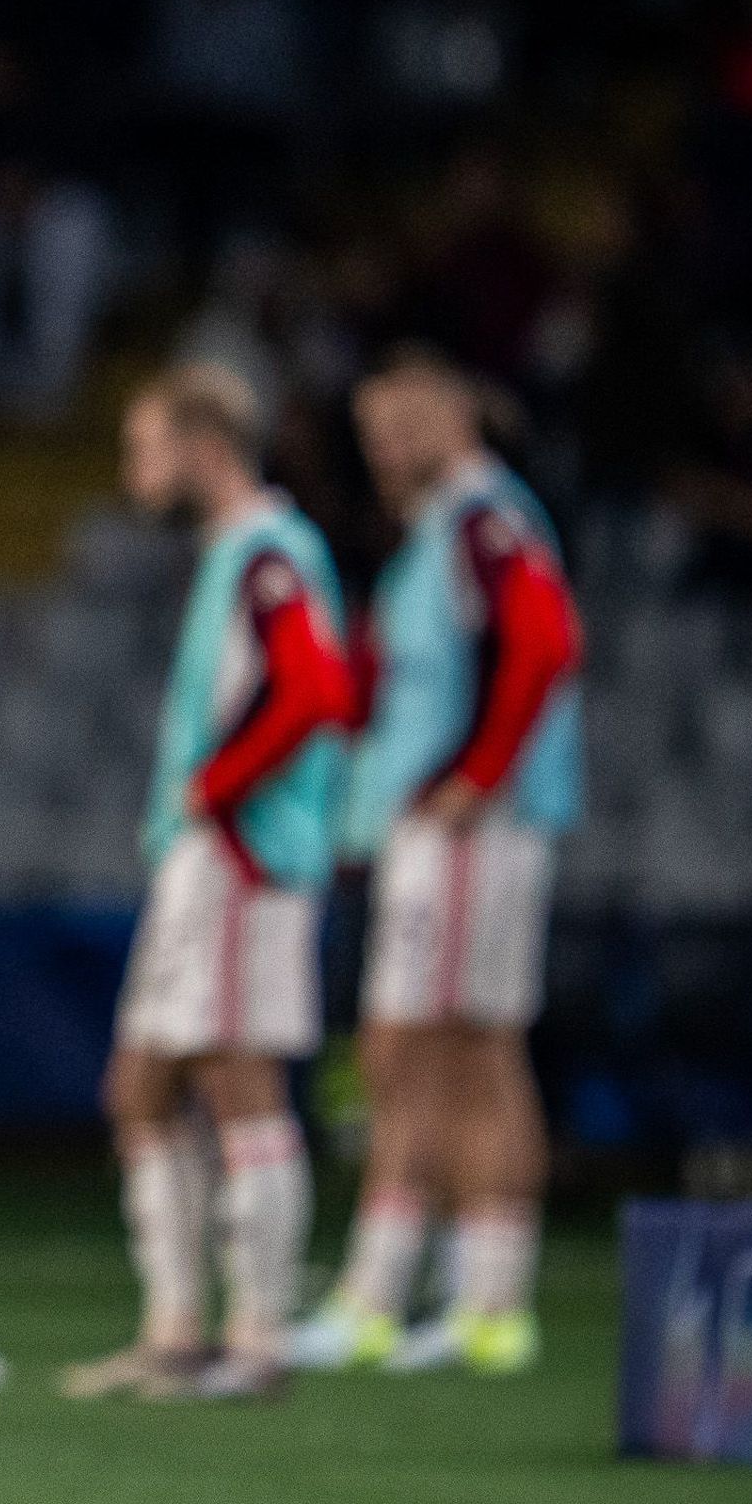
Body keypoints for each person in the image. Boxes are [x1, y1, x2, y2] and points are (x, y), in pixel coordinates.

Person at [61, 366, 353, 1405]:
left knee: (237, 1082)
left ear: (202, 443)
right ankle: (176, 1329)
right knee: (138, 1088)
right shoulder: (240, 550)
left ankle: (255, 1339)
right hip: (205, 857)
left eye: (146, 445)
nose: (135, 468)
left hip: (237, 858)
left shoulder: (268, 548)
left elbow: (316, 686)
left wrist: (216, 790)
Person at [292, 349, 583, 1377]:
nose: (378, 452)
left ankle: (409, 1295)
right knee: (448, 1053)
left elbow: (545, 641)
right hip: (448, 831)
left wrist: (473, 777)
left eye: (393, 429)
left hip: (465, 832)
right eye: (369, 435)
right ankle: (467, 1297)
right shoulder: (446, 531)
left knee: (427, 1051)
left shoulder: (479, 517)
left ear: (444, 418)